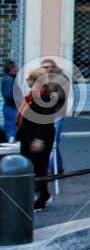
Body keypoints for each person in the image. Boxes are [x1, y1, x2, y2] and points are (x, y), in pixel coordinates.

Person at [17, 61, 67, 210]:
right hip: (28, 137)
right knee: (32, 167)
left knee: (39, 168)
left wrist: (39, 139)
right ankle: (38, 194)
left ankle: (41, 197)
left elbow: (44, 120)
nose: (27, 82)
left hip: (39, 138)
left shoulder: (44, 98)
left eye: (30, 79)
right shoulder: (32, 97)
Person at [1, 59, 17, 142]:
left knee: (11, 127)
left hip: (10, 108)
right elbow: (9, 95)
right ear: (12, 68)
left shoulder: (8, 79)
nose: (17, 69)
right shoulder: (9, 80)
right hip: (11, 108)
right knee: (11, 130)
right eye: (16, 67)